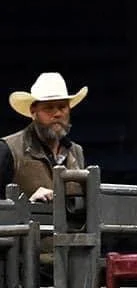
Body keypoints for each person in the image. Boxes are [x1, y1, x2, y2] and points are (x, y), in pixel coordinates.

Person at [4, 72, 88, 202]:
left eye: (62, 107)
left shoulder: (77, 153)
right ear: (33, 112)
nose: (57, 114)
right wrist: (28, 203)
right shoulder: (9, 150)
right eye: (49, 108)